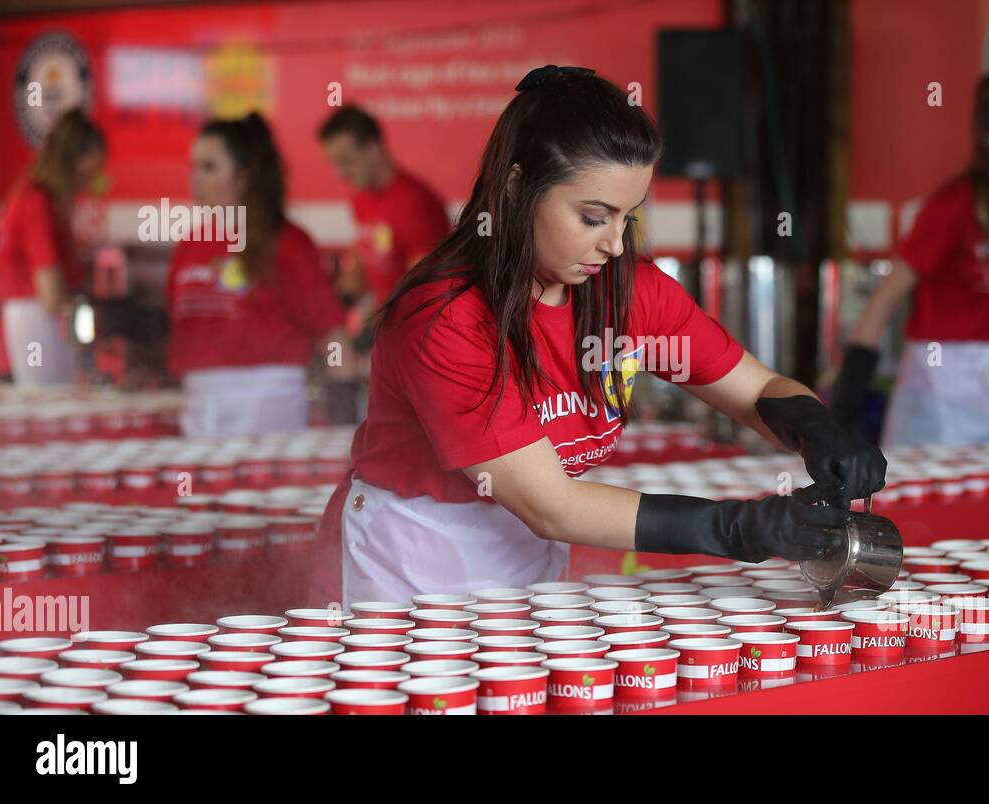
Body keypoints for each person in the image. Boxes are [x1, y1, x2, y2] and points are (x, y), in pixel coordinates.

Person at [319, 66, 886, 602]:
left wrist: (817, 429)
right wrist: (737, 528)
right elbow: (551, 505)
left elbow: (757, 389)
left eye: (628, 217)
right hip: (414, 556)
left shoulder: (629, 291)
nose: (614, 243)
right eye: (593, 217)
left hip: (528, 550)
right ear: (517, 188)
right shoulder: (447, 317)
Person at [830, 68, 989, 446]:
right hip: (945, 376)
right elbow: (887, 296)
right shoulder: (955, 204)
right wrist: (845, 402)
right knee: (936, 495)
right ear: (988, 134)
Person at [166, 113, 346, 437]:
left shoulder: (288, 244)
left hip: (268, 408)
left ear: (244, 176)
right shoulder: (192, 244)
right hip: (199, 405)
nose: (195, 179)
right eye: (193, 166)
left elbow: (332, 336)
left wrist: (344, 420)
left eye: (209, 167)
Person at [0, 109, 105, 386]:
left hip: (39, 320)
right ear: (72, 162)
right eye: (89, 171)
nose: (91, 181)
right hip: (36, 322)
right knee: (48, 409)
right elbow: (51, 294)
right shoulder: (36, 204)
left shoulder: (44, 202)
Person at [317, 105, 450, 319]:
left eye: (346, 161)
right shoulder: (361, 197)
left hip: (415, 329)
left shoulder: (416, 203)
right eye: (335, 165)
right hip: (385, 323)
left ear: (373, 147)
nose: (340, 174)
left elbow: (424, 290)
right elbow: (366, 257)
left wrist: (374, 324)